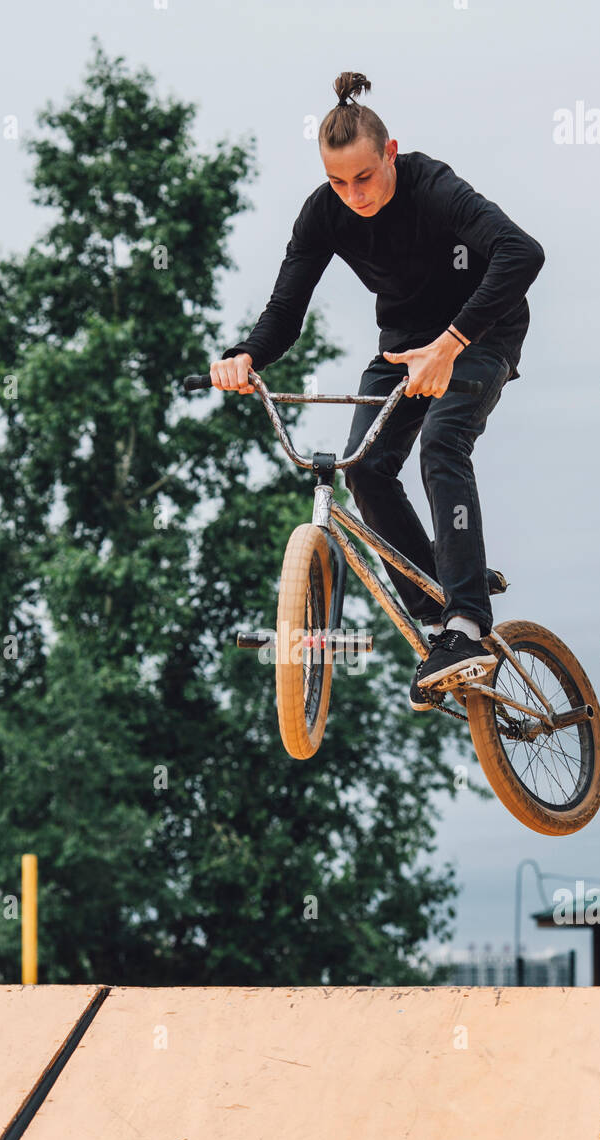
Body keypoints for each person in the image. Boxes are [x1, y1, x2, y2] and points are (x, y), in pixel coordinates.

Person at [211, 71, 545, 710]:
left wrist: (451, 344)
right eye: (338, 182)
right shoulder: (325, 213)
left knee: (442, 442)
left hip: (483, 332)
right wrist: (245, 355)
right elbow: (287, 307)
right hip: (401, 346)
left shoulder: (431, 185)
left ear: (389, 153)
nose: (353, 194)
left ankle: (469, 622)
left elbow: (521, 253)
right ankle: (437, 613)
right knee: (364, 468)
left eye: (364, 177)